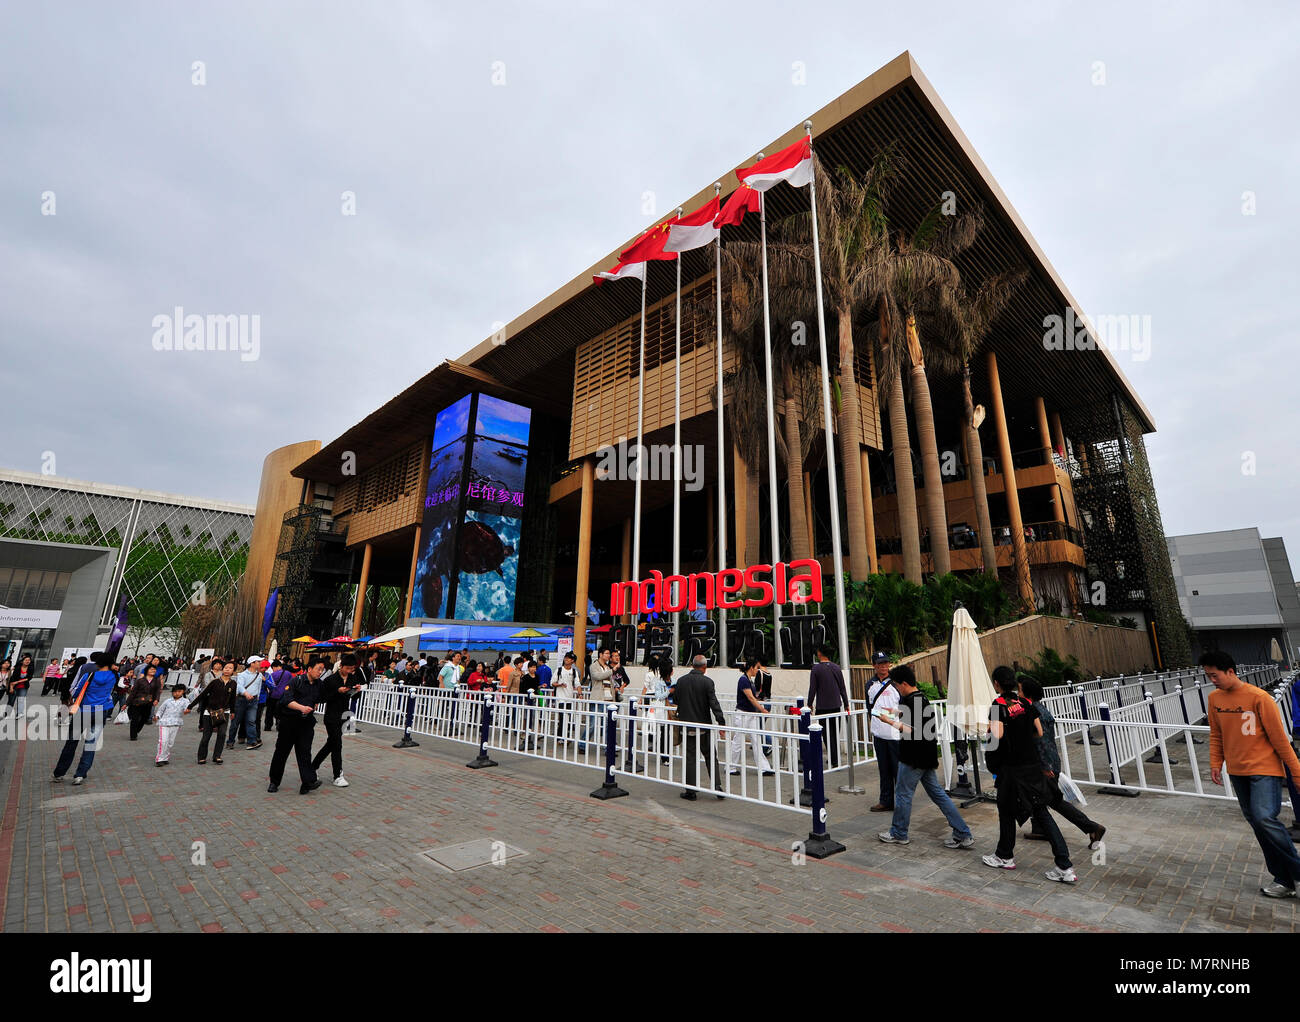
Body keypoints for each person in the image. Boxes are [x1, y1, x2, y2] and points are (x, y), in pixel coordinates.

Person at [1202, 651, 1300, 898]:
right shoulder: (1214, 699)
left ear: (1230, 672)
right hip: (1238, 772)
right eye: (1208, 676)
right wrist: (1216, 762)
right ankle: (1283, 879)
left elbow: (1280, 739)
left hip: (1264, 770)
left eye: (1215, 675)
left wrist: (1296, 772)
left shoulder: (1259, 698)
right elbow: (1216, 734)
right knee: (1258, 824)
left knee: (1265, 818)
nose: (1212, 680)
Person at [982, 666, 1076, 883]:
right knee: (1038, 811)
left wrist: (990, 730)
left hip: (1011, 770)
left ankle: (1008, 856)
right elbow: (1039, 731)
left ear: (996, 684)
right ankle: (1060, 863)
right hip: (1031, 767)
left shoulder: (998, 705)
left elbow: (998, 735)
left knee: (1008, 811)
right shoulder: (1025, 703)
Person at [876, 665, 974, 849]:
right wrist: (892, 712)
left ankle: (899, 832)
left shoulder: (913, 701)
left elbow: (913, 730)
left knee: (903, 794)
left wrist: (889, 721)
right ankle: (962, 832)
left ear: (904, 683)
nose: (896, 689)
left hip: (914, 757)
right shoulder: (919, 698)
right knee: (938, 795)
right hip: (926, 757)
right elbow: (912, 719)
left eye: (897, 686)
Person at [1020, 678, 1106, 849]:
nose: (1018, 694)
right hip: (1049, 762)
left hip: (1045, 765)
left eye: (1020, 691)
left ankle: (1092, 827)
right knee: (1041, 798)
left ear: (1028, 695)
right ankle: (1040, 828)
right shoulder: (1040, 709)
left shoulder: (1035, 713)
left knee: (1053, 800)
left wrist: (1045, 766)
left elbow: (1041, 742)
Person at [52, 652, 118, 785]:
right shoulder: (114, 676)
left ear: (98, 663)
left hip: (84, 709)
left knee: (71, 742)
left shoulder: (90, 675)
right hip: (101, 710)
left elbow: (76, 692)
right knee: (91, 743)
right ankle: (80, 774)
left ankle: (59, 773)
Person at [268, 658, 329, 795]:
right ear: (309, 669)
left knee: (305, 753)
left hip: (306, 724)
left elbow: (323, 698)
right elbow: (286, 700)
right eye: (318, 668)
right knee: (281, 753)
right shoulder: (296, 681)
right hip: (289, 722)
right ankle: (274, 781)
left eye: (322, 670)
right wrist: (302, 708)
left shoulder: (319, 684)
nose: (320, 672)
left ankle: (307, 782)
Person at [674, 655, 726, 799]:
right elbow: (714, 704)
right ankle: (717, 787)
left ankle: (691, 791)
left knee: (690, 757)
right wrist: (721, 722)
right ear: (704, 667)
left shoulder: (681, 681)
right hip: (704, 727)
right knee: (710, 756)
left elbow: (676, 700)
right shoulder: (708, 682)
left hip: (687, 726)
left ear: (692, 665)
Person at [311, 653, 360, 787]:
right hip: (332, 715)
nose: (350, 671)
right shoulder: (330, 680)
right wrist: (337, 692)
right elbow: (323, 698)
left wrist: (357, 691)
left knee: (332, 743)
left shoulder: (353, 678)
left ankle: (313, 766)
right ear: (341, 666)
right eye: (348, 668)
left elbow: (354, 698)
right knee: (337, 744)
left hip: (345, 714)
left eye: (352, 668)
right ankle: (337, 775)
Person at [727, 658, 774, 777]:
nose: (757, 670)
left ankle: (764, 767)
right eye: (757, 668)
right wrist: (762, 709)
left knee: (757, 740)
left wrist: (759, 704)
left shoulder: (749, 680)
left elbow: (753, 697)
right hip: (743, 714)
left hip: (750, 714)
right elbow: (750, 698)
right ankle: (731, 767)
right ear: (751, 667)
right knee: (738, 741)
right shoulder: (743, 680)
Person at [866, 651, 901, 813]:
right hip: (879, 733)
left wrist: (889, 714)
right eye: (880, 664)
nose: (884, 667)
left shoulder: (897, 682)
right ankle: (885, 800)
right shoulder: (870, 685)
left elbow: (904, 707)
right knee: (884, 768)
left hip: (895, 734)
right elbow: (870, 708)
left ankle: (901, 801)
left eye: (886, 663)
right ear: (874, 666)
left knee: (897, 769)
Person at [807, 645, 849, 769]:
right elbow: (842, 687)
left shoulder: (816, 669)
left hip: (823, 706)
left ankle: (832, 758)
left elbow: (813, 689)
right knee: (835, 732)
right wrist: (846, 703)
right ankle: (835, 758)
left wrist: (809, 704)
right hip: (836, 705)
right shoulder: (836, 668)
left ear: (819, 653)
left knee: (825, 733)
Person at [194, 660, 236, 764]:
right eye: (226, 667)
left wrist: (233, 711)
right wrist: (190, 706)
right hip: (210, 712)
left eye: (230, 668)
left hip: (224, 712)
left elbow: (233, 699)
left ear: (233, 671)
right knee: (206, 736)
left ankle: (217, 756)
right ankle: (202, 756)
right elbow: (203, 695)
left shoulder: (233, 684)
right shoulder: (215, 682)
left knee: (221, 734)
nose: (227, 669)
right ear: (223, 669)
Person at [578, 648, 614, 753]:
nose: (608, 655)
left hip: (609, 698)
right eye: (607, 653)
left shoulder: (608, 667)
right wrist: (612, 671)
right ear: (601, 654)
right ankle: (582, 744)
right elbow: (597, 676)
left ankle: (608, 748)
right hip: (598, 697)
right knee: (592, 723)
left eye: (609, 654)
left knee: (608, 725)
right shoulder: (593, 666)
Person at [228, 657, 264, 750]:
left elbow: (259, 687)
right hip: (241, 700)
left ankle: (252, 742)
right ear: (252, 663)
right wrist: (246, 693)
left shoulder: (259, 675)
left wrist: (257, 697)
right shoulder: (242, 675)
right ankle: (230, 741)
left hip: (253, 701)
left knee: (251, 721)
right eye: (258, 662)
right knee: (236, 722)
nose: (260, 663)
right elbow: (239, 686)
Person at [154, 682, 190, 766]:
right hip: (164, 723)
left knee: (170, 742)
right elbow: (161, 710)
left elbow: (187, 709)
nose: (176, 693)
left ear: (183, 692)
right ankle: (159, 759)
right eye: (175, 692)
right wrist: (157, 716)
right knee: (163, 741)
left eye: (179, 691)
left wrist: (187, 711)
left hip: (176, 723)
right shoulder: (167, 701)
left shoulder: (185, 701)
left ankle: (165, 757)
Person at [125, 663, 161, 741]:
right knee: (135, 719)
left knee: (144, 718)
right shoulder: (140, 680)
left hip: (148, 702)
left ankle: (136, 730)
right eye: (151, 669)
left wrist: (156, 699)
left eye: (154, 670)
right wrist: (126, 703)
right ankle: (133, 735)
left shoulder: (156, 680)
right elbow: (133, 692)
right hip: (137, 701)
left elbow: (158, 691)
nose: (153, 671)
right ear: (147, 671)